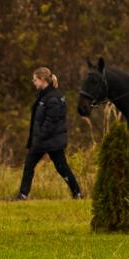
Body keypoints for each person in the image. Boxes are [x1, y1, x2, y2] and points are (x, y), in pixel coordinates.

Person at [14, 67, 83, 200]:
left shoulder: (53, 97)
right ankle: (23, 195)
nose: (33, 82)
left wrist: (40, 135)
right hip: (43, 140)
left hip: (50, 141)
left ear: (42, 80)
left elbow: (52, 121)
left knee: (61, 167)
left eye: (35, 80)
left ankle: (77, 193)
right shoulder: (43, 95)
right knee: (30, 165)